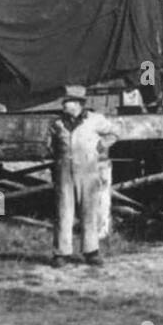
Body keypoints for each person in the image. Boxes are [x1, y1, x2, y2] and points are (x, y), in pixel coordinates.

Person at [47, 85, 119, 268]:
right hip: (65, 171)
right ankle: (61, 253)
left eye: (68, 102)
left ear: (79, 104)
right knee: (63, 211)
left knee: (89, 210)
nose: (64, 105)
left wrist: (101, 145)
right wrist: (60, 159)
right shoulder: (57, 123)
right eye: (64, 102)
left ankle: (91, 251)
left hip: (88, 170)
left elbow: (115, 132)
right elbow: (49, 143)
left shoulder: (94, 120)